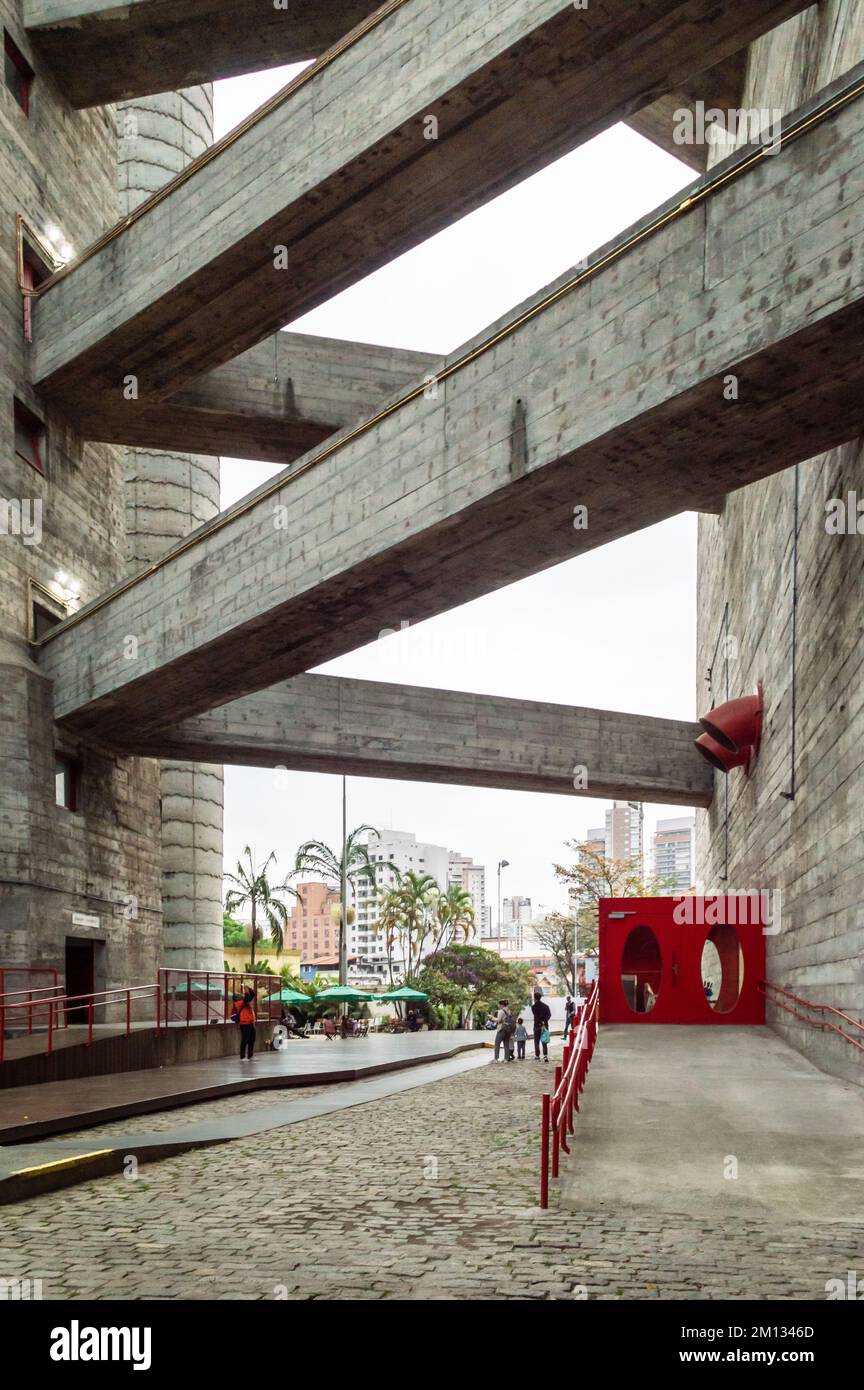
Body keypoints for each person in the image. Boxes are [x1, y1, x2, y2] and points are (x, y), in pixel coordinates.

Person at [234, 987, 257, 1061]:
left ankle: (250, 1055)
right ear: (236, 998)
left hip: (251, 1022)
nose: (240, 995)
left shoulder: (245, 1001)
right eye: (238, 995)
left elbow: (252, 995)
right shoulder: (239, 1003)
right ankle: (242, 1056)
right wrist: (245, 992)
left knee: (252, 1039)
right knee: (245, 1040)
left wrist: (249, 989)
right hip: (244, 1024)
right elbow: (247, 997)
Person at [531, 989, 551, 1061]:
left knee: (536, 1041)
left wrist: (540, 1022)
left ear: (535, 998)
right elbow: (549, 1015)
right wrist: (544, 1021)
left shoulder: (533, 1007)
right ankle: (545, 1055)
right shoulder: (546, 1006)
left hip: (537, 1025)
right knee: (544, 1040)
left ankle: (537, 1055)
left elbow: (536, 1016)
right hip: (545, 1025)